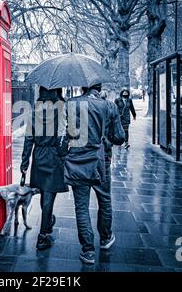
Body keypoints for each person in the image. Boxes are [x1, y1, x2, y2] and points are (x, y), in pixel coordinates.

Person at [62, 83, 125, 264]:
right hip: (101, 161)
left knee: (81, 206)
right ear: (99, 87)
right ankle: (105, 238)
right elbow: (120, 137)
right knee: (104, 199)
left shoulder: (70, 104)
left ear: (83, 87)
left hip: (77, 161)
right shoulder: (110, 106)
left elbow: (62, 133)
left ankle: (88, 251)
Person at [20, 87, 68, 250]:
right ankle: (43, 235)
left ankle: (47, 220)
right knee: (49, 193)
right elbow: (66, 134)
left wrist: (24, 163)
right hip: (54, 155)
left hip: (39, 155)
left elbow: (28, 138)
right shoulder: (61, 109)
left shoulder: (35, 111)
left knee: (44, 191)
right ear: (56, 91)